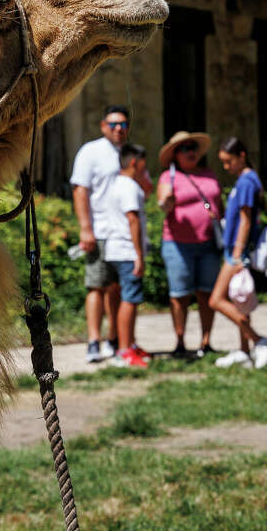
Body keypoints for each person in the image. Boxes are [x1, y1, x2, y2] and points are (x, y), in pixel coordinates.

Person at [71, 105, 151, 363]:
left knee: (117, 289)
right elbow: (80, 190)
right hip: (99, 231)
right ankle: (94, 341)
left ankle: (115, 340)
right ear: (103, 125)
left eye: (124, 125)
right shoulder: (91, 151)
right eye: (114, 124)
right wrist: (86, 229)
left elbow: (145, 188)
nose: (119, 129)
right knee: (96, 286)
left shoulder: (131, 154)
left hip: (122, 235)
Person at [207, 137, 267, 369]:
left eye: (228, 162)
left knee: (216, 300)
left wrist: (236, 255)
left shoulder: (246, 182)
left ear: (241, 156)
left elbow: (246, 221)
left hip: (236, 251)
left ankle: (259, 340)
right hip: (234, 249)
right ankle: (244, 351)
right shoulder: (244, 181)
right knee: (239, 301)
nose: (226, 167)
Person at [156, 130, 222, 358]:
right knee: (179, 295)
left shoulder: (209, 174)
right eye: (185, 148)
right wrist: (167, 202)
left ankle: (206, 341)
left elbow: (218, 204)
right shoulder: (169, 177)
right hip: (178, 244)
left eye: (193, 147)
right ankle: (180, 342)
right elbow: (163, 203)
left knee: (207, 294)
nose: (191, 152)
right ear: (175, 155)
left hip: (209, 243)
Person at [107, 144, 150, 368]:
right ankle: (124, 350)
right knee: (130, 300)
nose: (146, 167)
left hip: (115, 249)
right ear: (135, 162)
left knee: (126, 297)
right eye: (144, 162)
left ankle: (129, 344)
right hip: (127, 251)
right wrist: (139, 255)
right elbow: (133, 220)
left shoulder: (116, 184)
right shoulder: (130, 186)